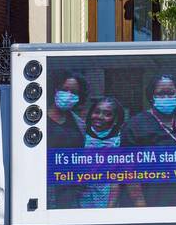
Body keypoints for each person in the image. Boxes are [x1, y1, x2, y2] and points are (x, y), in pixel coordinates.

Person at [121, 73, 176, 207]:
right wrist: (140, 204)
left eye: (171, 93)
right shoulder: (135, 125)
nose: (166, 97)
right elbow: (129, 170)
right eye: (160, 94)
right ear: (151, 97)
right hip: (151, 198)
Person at [47, 71, 88, 209]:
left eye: (74, 92)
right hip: (46, 188)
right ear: (55, 90)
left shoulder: (79, 123)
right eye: (65, 90)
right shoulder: (39, 120)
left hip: (71, 190)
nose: (69, 95)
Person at [79, 96, 126, 209]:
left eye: (107, 114)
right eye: (96, 112)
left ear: (115, 119)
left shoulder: (120, 141)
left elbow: (117, 181)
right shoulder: (81, 135)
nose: (100, 117)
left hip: (107, 199)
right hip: (82, 198)